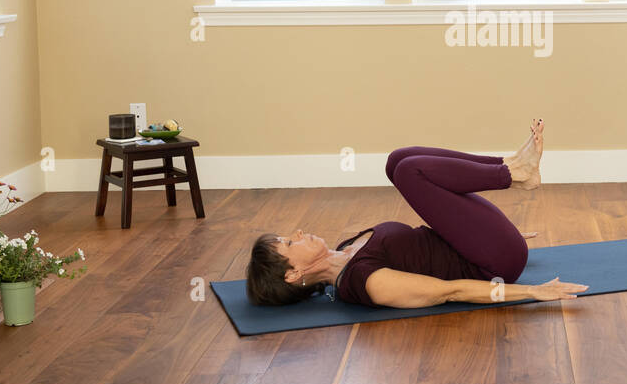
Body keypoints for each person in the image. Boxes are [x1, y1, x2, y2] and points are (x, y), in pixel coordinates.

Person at [245, 120, 587, 308]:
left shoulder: (345, 247)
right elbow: (449, 290)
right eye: (291, 242)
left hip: (480, 245)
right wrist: (532, 292)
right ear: (292, 274)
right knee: (411, 173)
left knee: (397, 161)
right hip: (494, 265)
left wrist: (481, 231)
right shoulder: (364, 281)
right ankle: (514, 173)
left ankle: (510, 166)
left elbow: (425, 245)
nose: (300, 233)